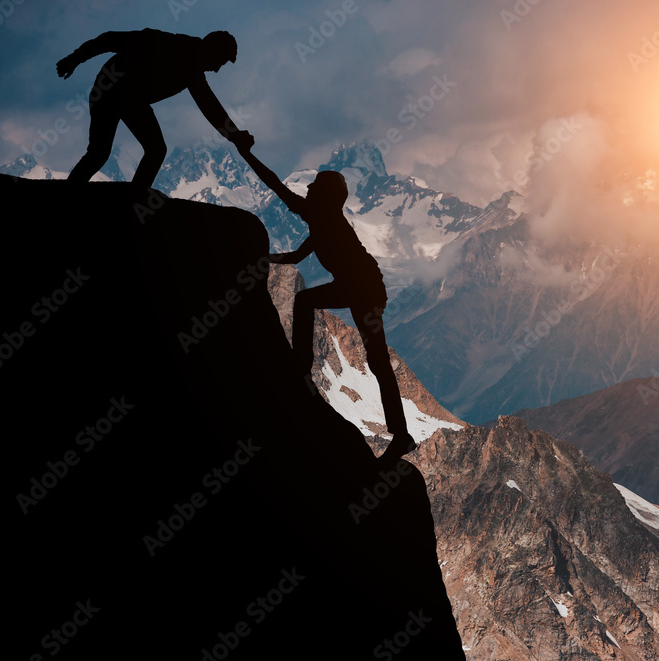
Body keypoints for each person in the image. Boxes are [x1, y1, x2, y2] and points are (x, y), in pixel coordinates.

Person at [238, 148, 416, 459]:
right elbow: (296, 256)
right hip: (363, 288)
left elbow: (275, 185)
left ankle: (301, 366)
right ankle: (400, 435)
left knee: (372, 357)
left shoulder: (322, 217)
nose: (308, 188)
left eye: (315, 186)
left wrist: (246, 153)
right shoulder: (326, 221)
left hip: (362, 289)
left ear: (325, 196)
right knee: (376, 360)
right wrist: (266, 259)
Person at [56, 28, 254, 189]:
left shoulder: (193, 71)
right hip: (109, 91)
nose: (217, 69)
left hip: (132, 100)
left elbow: (211, 108)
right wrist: (75, 58)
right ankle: (127, 202)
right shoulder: (168, 43)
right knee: (103, 153)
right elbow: (110, 39)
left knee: (152, 150)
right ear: (211, 50)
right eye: (219, 62)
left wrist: (235, 136)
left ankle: (133, 200)